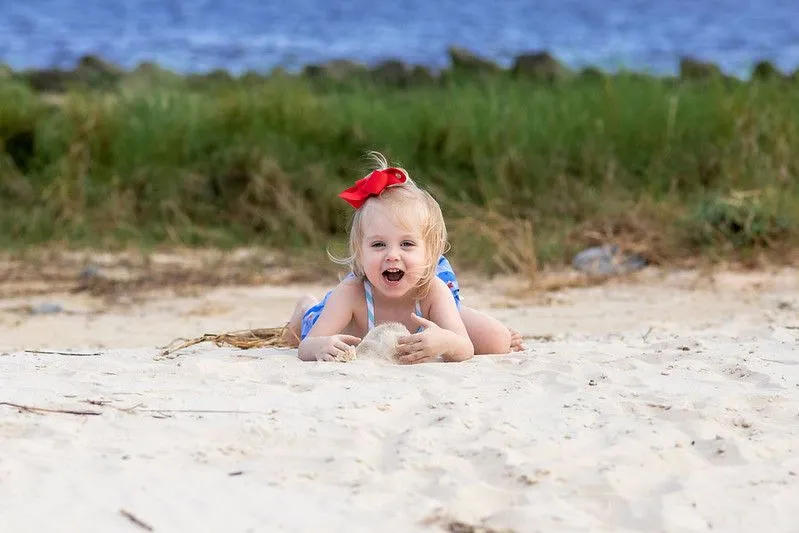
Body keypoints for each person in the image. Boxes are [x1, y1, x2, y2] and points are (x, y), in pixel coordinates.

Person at [282, 153, 525, 363]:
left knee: (493, 340)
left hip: (435, 302)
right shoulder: (352, 292)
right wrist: (321, 346)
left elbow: (465, 347)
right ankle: (305, 307)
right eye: (378, 244)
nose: (392, 255)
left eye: (407, 244)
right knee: (306, 327)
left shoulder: (433, 291)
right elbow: (307, 346)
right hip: (330, 319)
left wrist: (445, 342)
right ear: (360, 252)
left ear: (431, 254)